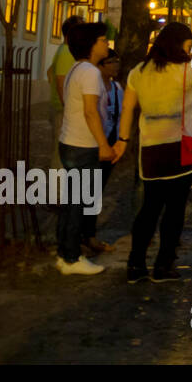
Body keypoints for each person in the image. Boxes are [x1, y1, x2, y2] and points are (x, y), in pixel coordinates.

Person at [122, 22, 192, 282]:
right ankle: (163, 265)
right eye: (189, 43)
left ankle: (136, 264)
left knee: (149, 207)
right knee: (174, 210)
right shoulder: (188, 70)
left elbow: (128, 108)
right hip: (180, 147)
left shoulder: (138, 71)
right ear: (179, 44)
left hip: (150, 148)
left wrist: (122, 139)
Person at [54, 22, 118, 276]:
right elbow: (91, 111)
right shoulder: (90, 72)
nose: (106, 44)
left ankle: (65, 254)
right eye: (102, 40)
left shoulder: (77, 69)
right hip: (83, 145)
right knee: (77, 204)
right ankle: (71, 258)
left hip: (71, 142)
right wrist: (103, 143)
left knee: (71, 204)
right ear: (91, 45)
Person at [84, 48, 124, 257]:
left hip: (111, 143)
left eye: (117, 61)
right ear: (101, 66)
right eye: (111, 62)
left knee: (97, 190)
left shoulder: (117, 88)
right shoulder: (95, 87)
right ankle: (85, 235)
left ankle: (89, 234)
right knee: (88, 190)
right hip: (95, 144)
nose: (116, 66)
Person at [47, 14, 85, 169]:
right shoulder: (67, 53)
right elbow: (60, 82)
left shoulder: (64, 51)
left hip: (63, 110)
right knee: (61, 155)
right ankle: (57, 191)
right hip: (64, 112)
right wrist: (68, 108)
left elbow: (49, 73)